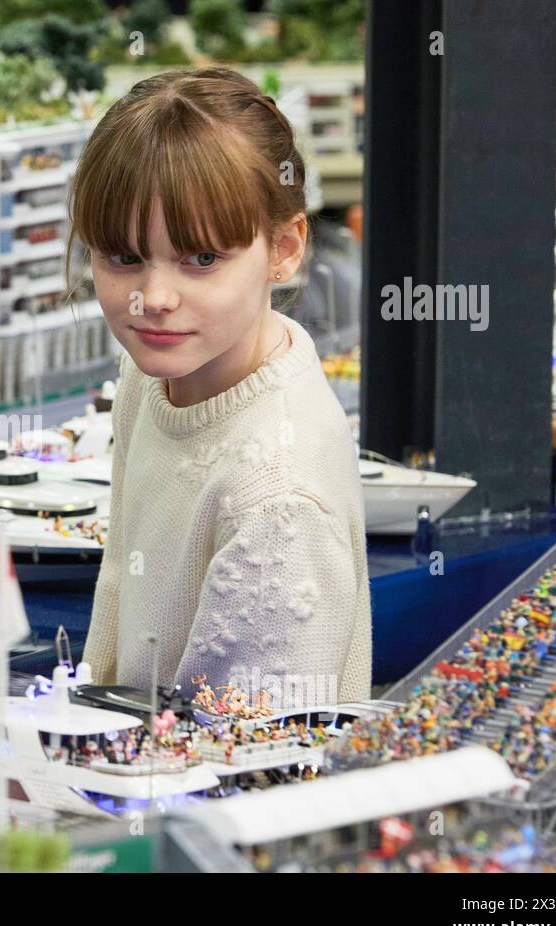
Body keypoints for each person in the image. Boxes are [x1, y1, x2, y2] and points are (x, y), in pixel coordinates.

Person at [76, 67, 371, 705]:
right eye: (124, 257)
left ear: (284, 248)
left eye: (202, 259)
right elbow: (117, 600)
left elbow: (245, 755)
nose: (154, 298)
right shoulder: (154, 374)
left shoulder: (279, 503)